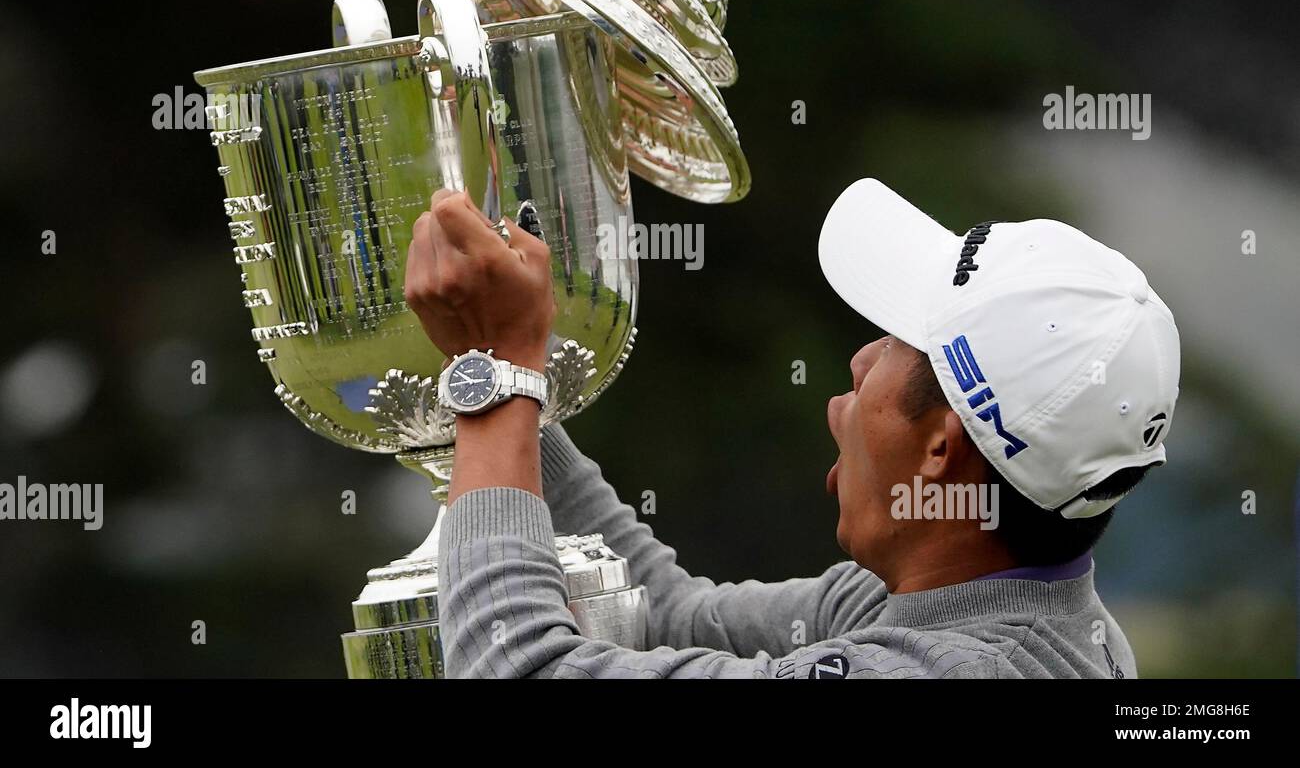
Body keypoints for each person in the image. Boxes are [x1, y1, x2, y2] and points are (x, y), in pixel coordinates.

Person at [403, 177, 1180, 678]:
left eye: (897, 342)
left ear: (943, 445)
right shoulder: (968, 602)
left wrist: (500, 376)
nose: (858, 359)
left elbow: (516, 666)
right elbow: (671, 618)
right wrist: (505, 375)